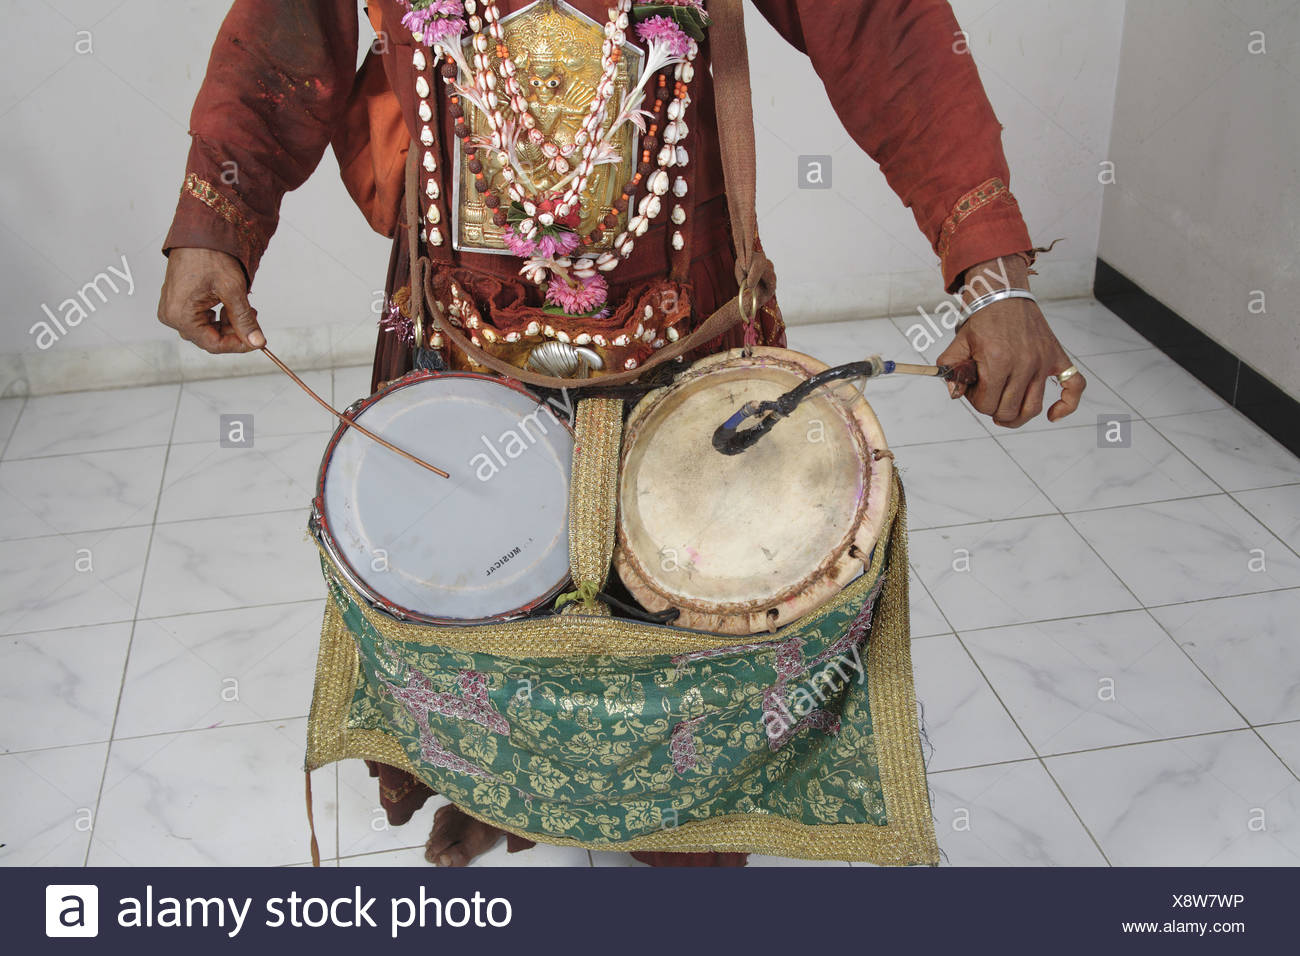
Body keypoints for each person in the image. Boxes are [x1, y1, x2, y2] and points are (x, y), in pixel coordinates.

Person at [156, 0, 1086, 867]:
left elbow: (886, 30)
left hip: (687, 321)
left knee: (695, 593)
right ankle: (501, 791)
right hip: (459, 318)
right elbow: (286, 28)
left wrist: (991, 271)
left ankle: (688, 839)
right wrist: (216, 226)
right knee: (478, 585)